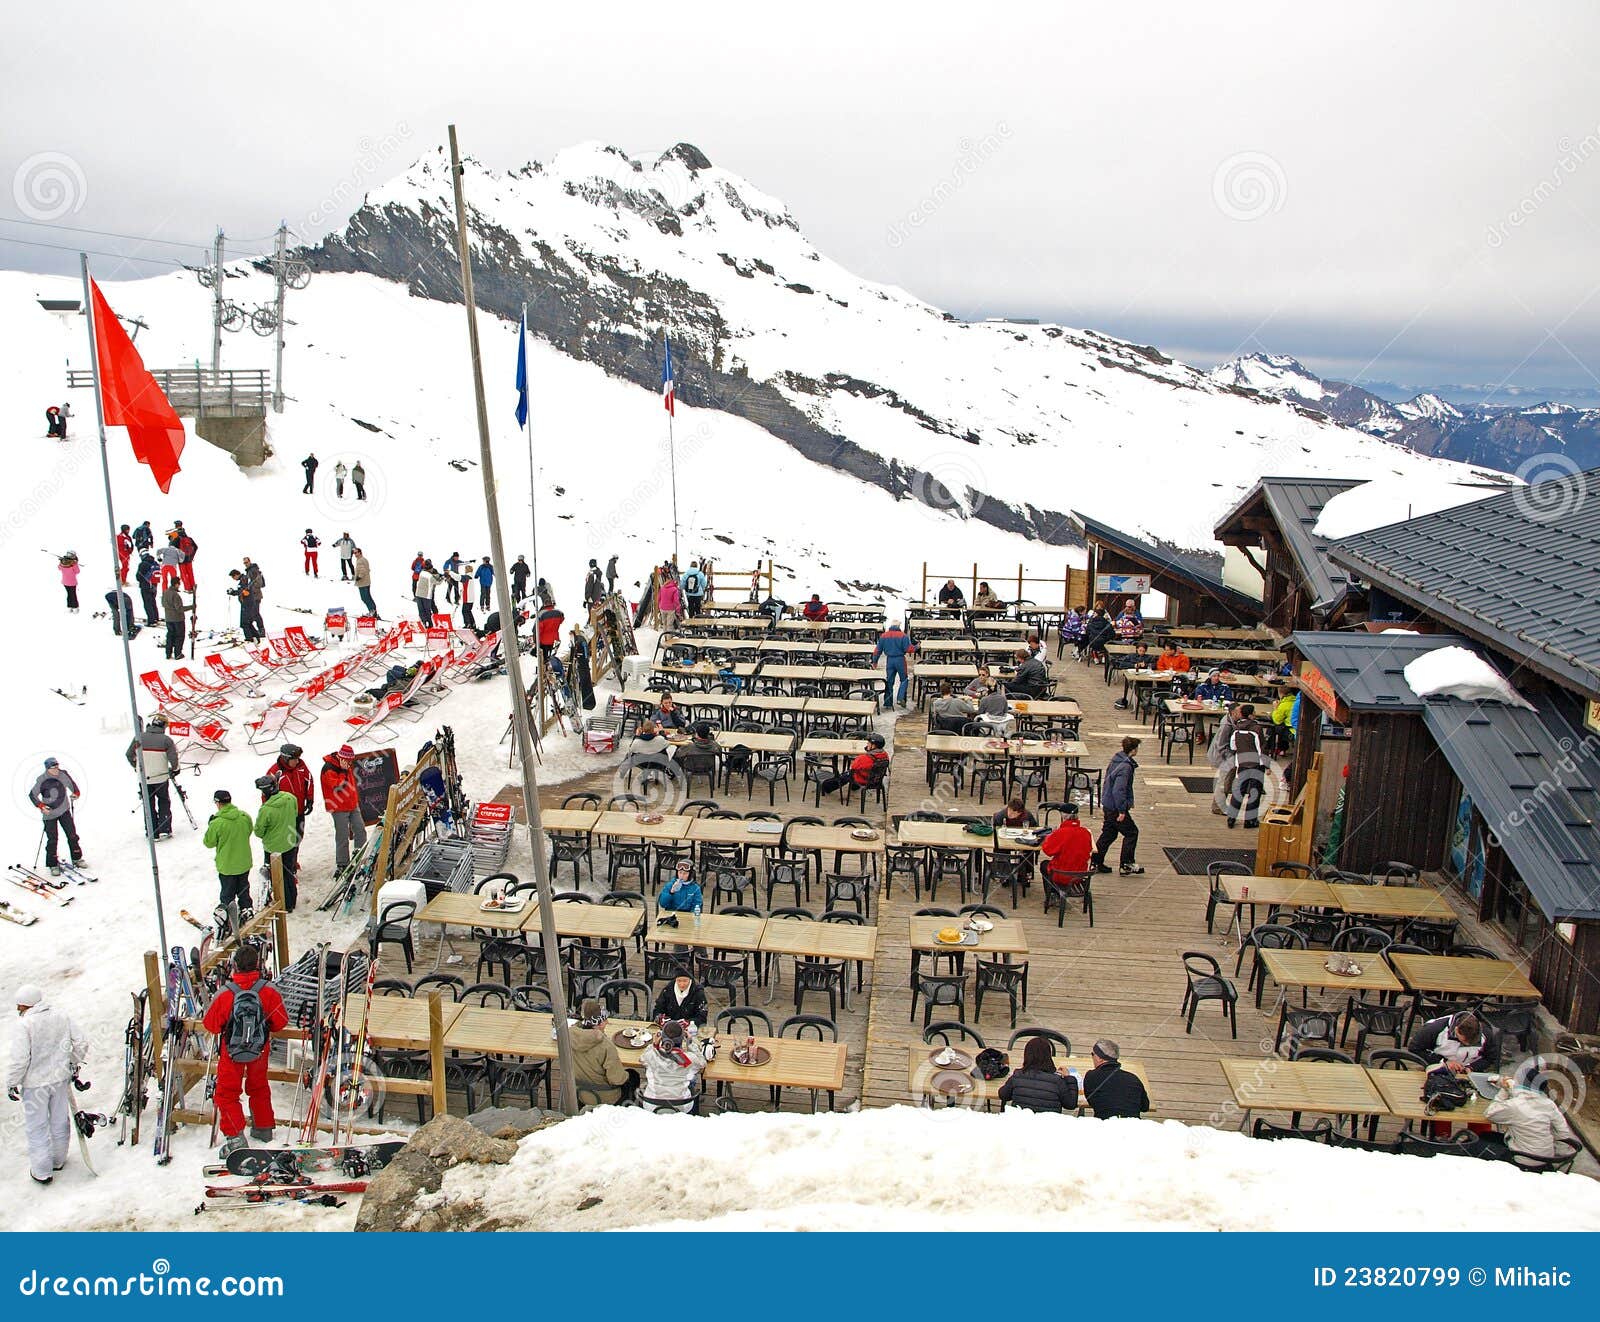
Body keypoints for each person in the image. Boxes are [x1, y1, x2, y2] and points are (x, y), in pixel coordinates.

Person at [202, 945, 289, 1159]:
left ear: (235, 966)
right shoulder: (269, 991)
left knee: (226, 1093)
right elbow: (281, 1022)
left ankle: (235, 1136)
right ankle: (264, 1127)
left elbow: (211, 1025)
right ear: (258, 965)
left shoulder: (225, 994)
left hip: (231, 1052)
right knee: (258, 1087)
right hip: (259, 1051)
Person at [7, 984, 89, 1185]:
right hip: (60, 1080)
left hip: (35, 1085)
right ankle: (58, 1160)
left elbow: (20, 1059)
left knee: (37, 1126)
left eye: (20, 1007)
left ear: (28, 1005)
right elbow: (81, 1043)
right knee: (59, 1120)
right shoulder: (61, 1016)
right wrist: (72, 1063)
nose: (18, 1010)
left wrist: (12, 1082)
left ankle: (42, 1170)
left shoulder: (25, 1025)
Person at [1484, 1069, 1578, 1163]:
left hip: (1521, 1159)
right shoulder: (1549, 1104)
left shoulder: (1515, 1105)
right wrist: (1559, 1154)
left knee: (1475, 1144)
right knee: (1488, 1136)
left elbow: (1489, 1113)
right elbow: (1562, 1130)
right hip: (1546, 1158)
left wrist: (1503, 1090)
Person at [1094, 737, 1143, 876]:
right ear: (1133, 750)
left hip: (1108, 804)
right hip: (1116, 807)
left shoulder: (1116, 760)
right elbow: (1119, 790)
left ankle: (1096, 861)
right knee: (1131, 832)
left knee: (1109, 833)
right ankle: (1126, 863)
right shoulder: (1126, 766)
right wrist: (1122, 810)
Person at [570, 998, 635, 1103]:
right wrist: (626, 1076)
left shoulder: (570, 1037)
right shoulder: (606, 1046)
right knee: (633, 1076)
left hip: (580, 1093)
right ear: (599, 1024)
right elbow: (617, 1079)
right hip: (604, 1097)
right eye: (605, 1020)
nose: (607, 1022)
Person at [253, 775, 301, 913]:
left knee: (277, 877)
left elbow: (258, 831)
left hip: (273, 848)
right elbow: (296, 812)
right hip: (290, 842)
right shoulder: (290, 798)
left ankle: (284, 903)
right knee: (289, 872)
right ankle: (292, 900)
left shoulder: (266, 809)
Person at [126, 713, 179, 839]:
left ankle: (151, 831)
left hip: (144, 778)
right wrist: (175, 770)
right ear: (163, 726)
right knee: (163, 801)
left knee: (148, 803)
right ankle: (164, 828)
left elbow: (129, 754)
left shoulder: (139, 738)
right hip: (161, 777)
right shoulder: (166, 740)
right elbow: (173, 759)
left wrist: (136, 766)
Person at [997, 1035, 1079, 1113]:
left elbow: (1003, 1094)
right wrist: (1068, 1078)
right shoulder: (1057, 1081)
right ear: (1048, 1056)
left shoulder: (1018, 1075)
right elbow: (1070, 1104)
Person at [203, 788, 254, 914]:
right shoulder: (244, 816)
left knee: (227, 894)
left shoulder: (217, 823)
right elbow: (249, 830)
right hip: (244, 862)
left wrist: (211, 825)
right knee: (244, 891)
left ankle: (228, 918)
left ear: (218, 803)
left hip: (227, 866)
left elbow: (208, 843)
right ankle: (247, 910)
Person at [320, 744, 368, 874]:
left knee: (360, 830)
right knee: (342, 836)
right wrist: (343, 771)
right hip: (338, 808)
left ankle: (360, 856)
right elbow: (337, 787)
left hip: (352, 804)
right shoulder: (329, 769)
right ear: (342, 758)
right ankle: (342, 863)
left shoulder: (346, 765)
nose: (350, 763)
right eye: (348, 761)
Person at [640, 1019, 707, 1110]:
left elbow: (642, 1059)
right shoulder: (688, 1059)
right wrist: (690, 1044)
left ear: (662, 1038)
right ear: (682, 1038)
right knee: (692, 1080)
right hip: (681, 1106)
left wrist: (654, 1044)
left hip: (652, 1105)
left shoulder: (652, 1055)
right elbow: (702, 1063)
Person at [1407, 1010, 1500, 1073]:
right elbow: (1414, 1048)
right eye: (1463, 1041)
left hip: (1468, 1074)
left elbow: (1491, 1057)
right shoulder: (1433, 1029)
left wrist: (1472, 1068)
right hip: (1436, 1069)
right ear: (1456, 1029)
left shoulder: (1487, 1033)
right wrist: (1443, 1062)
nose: (1467, 1044)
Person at [1082, 1039, 1150, 1119]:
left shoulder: (1091, 1076)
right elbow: (1145, 1107)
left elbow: (1091, 1102)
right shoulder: (1133, 1078)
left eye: (1093, 1054)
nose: (1092, 1057)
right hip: (1133, 1127)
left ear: (1100, 1058)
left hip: (1104, 1126)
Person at [815, 733, 889, 798]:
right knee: (852, 772)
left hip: (864, 779)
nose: (867, 744)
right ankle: (854, 787)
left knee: (846, 775)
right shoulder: (885, 755)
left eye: (868, 743)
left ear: (873, 746)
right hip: (877, 780)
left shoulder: (865, 758)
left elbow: (853, 767)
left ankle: (826, 787)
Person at [266, 743, 315, 835]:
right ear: (286, 759)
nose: (297, 761)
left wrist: (310, 799)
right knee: (287, 842)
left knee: (299, 836)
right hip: (284, 815)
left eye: (298, 758)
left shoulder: (301, 766)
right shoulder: (275, 773)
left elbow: (309, 782)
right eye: (294, 759)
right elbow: (267, 795)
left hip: (300, 810)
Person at [1040, 802, 1093, 879]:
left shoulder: (1060, 832)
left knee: (1044, 864)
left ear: (1063, 816)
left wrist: (1049, 837)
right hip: (1080, 874)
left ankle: (1053, 889)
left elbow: (1047, 851)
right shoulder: (1086, 832)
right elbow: (1089, 849)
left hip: (1061, 874)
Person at [873, 621, 916, 709]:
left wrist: (875, 662)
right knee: (904, 679)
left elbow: (877, 650)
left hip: (889, 660)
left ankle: (888, 702)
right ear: (899, 626)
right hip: (900, 659)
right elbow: (909, 649)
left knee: (889, 681)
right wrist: (917, 647)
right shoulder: (903, 636)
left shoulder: (884, 636)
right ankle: (900, 698)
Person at [224, 570, 259, 645]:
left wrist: (233, 592)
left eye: (233, 577)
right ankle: (256, 637)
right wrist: (233, 592)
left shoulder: (244, 579)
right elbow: (242, 591)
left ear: (236, 575)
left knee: (244, 623)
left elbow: (243, 591)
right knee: (248, 622)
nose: (233, 578)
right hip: (247, 603)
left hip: (247, 604)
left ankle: (249, 639)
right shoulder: (243, 579)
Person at [172, 522, 198, 593]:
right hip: (189, 558)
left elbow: (172, 546)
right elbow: (196, 547)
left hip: (181, 559)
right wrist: (192, 556)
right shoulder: (188, 537)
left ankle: (188, 588)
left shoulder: (175, 535)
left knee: (184, 574)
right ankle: (193, 586)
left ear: (175, 526)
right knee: (190, 573)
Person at [134, 550, 159, 624]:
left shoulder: (143, 564)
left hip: (145, 586)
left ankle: (151, 620)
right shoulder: (155, 563)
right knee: (153, 601)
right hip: (154, 585)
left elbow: (138, 577)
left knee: (147, 603)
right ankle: (156, 617)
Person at [353, 548, 378, 617]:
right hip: (366, 582)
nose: (355, 554)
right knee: (368, 597)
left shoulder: (360, 561)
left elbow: (363, 570)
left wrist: (359, 577)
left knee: (365, 598)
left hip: (363, 583)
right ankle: (373, 611)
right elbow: (367, 569)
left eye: (356, 552)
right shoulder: (363, 559)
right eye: (354, 553)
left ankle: (372, 611)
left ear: (360, 552)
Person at [414, 561, 437, 626]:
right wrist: (443, 577)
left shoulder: (422, 573)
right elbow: (437, 582)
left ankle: (423, 623)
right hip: (426, 596)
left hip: (418, 594)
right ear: (430, 569)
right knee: (427, 611)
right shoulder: (430, 576)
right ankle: (430, 625)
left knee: (421, 611)